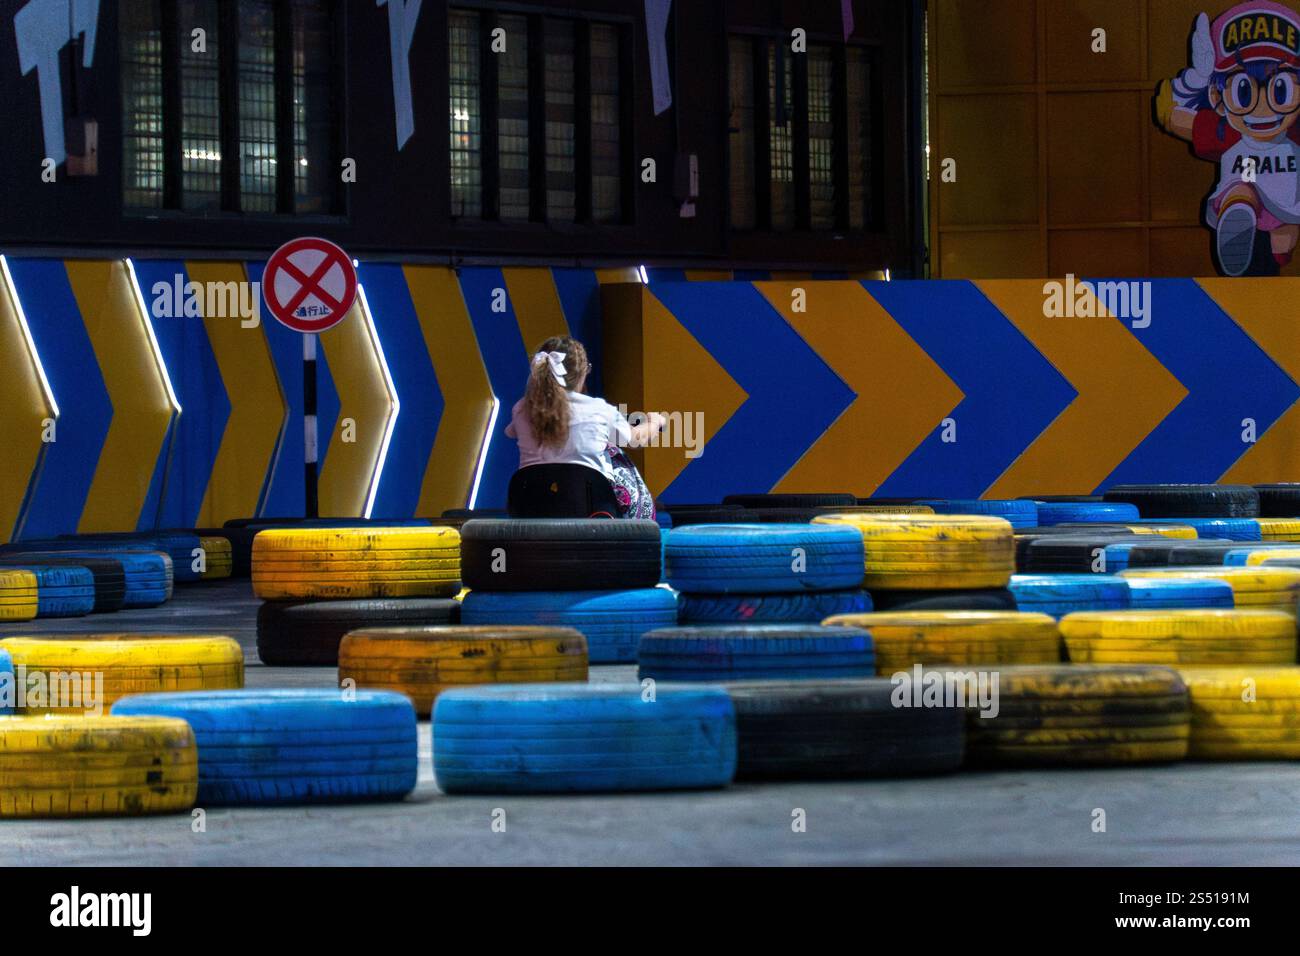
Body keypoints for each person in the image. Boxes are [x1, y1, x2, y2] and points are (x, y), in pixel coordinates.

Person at [1154, 2, 1300, 276]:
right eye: (1244, 92)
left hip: (1289, 202)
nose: (1262, 108)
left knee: (1283, 241)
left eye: (1280, 91)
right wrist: (1197, 78)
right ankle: (1239, 219)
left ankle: (1259, 252)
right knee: (1240, 193)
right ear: (1217, 97)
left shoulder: (1294, 133)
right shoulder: (1228, 131)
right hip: (1244, 188)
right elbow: (1173, 116)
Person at [505, 335, 662, 519]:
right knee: (613, 453)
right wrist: (655, 422)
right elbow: (636, 439)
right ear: (581, 374)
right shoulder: (599, 409)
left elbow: (511, 432)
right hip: (592, 512)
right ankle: (638, 527)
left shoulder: (521, 409)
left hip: (531, 510)